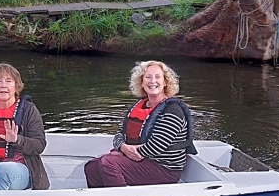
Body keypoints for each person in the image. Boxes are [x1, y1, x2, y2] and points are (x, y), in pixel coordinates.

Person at [84, 60, 196, 188]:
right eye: (148, 77)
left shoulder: (173, 110)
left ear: (165, 82)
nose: (152, 81)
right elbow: (120, 135)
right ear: (142, 83)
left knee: (109, 163)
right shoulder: (139, 107)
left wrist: (126, 153)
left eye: (158, 77)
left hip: (165, 169)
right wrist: (122, 147)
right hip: (143, 161)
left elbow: (157, 145)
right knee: (92, 167)